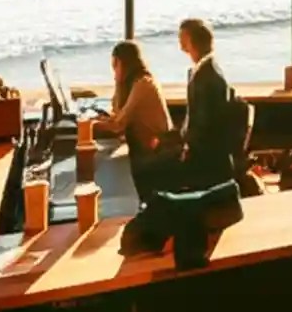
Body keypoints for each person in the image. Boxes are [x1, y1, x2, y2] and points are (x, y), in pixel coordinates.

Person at [93, 40, 173, 202]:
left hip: (157, 151)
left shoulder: (143, 84)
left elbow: (118, 126)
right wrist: (118, 82)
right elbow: (117, 113)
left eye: (115, 65)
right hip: (143, 147)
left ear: (123, 62)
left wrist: (88, 125)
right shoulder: (132, 83)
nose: (113, 70)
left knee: (111, 177)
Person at [177, 18, 239, 189]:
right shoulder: (203, 70)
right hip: (206, 150)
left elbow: (204, 123)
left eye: (181, 36)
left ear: (190, 39)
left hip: (207, 158)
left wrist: (185, 146)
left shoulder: (207, 75)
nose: (179, 40)